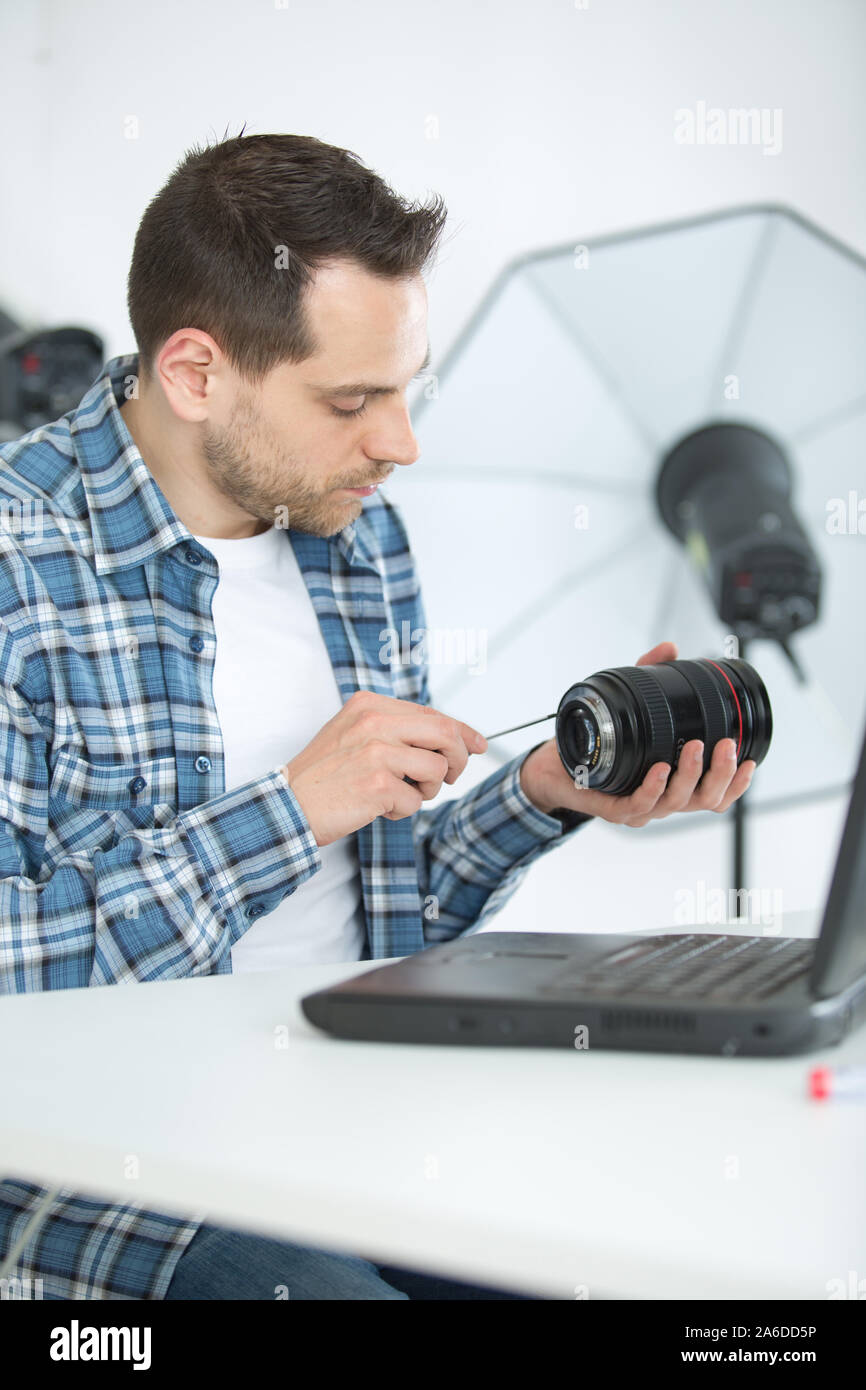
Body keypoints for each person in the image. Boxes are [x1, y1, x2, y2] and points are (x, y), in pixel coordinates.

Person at [0, 132, 753, 1301]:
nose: (399, 444)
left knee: (671, 1277)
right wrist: (290, 812)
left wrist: (539, 794)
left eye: (406, 390)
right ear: (196, 373)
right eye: (353, 400)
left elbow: (381, 912)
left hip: (352, 1116)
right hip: (107, 1187)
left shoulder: (354, 535)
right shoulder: (18, 557)